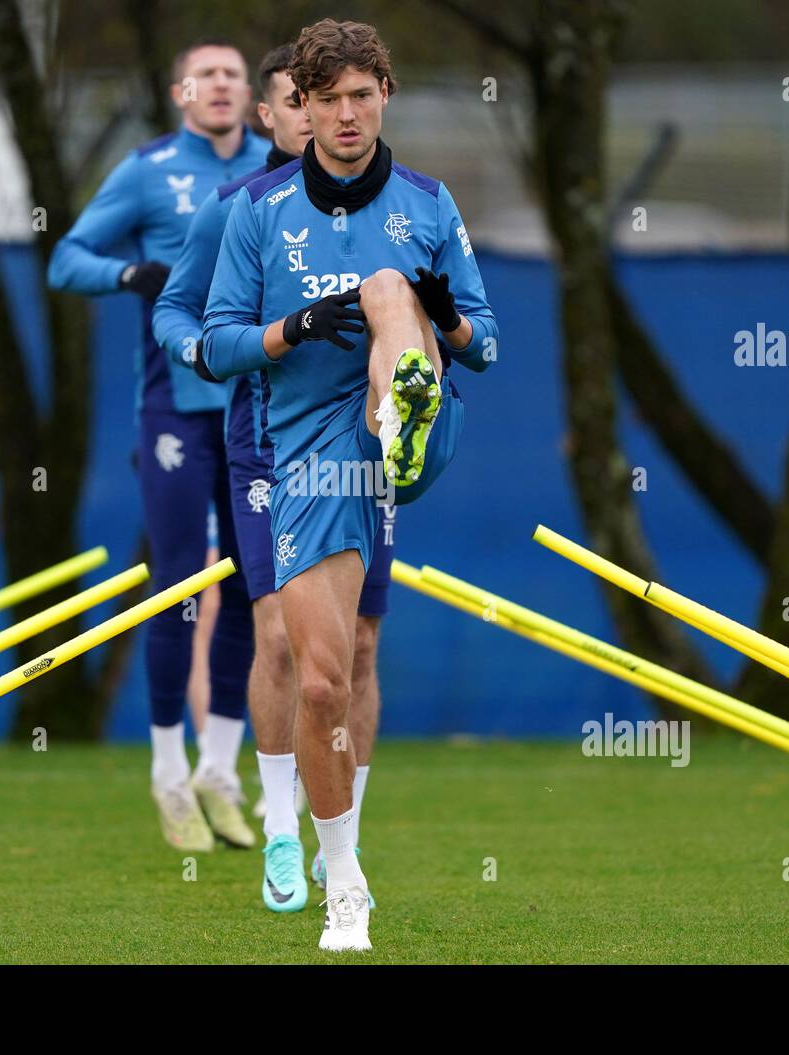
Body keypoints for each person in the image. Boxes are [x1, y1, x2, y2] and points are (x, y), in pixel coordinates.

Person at [203, 20, 496, 951]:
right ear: (300, 107)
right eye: (324, 98)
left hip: (413, 436)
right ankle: (346, 883)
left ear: (385, 96)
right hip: (317, 461)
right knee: (325, 682)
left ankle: (401, 406)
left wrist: (442, 317)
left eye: (360, 95)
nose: (343, 114)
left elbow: (487, 345)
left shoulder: (427, 201)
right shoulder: (258, 209)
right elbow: (215, 347)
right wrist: (294, 327)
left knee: (386, 285)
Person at [154, 44, 397, 915]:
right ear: (271, 116)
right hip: (264, 447)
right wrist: (224, 353)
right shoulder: (239, 209)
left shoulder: (395, 206)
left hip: (365, 451)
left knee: (361, 645)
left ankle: (348, 843)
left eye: (336, 98)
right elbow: (178, 313)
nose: (319, 115)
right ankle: (283, 826)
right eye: (300, 101)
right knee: (283, 639)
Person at [48, 40, 269, 853]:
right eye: (205, 75)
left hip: (258, 403)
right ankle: (167, 771)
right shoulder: (147, 170)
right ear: (181, 91)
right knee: (179, 584)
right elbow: (65, 259)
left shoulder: (279, 166)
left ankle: (219, 767)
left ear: (253, 95)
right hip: (174, 410)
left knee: (251, 583)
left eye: (233, 76)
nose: (220, 86)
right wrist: (128, 275)